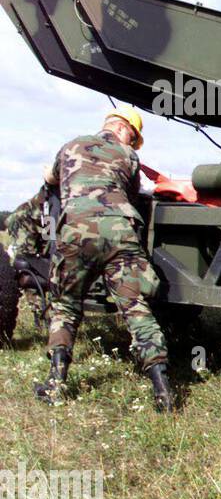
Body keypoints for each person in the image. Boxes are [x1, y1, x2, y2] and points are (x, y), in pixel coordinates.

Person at [35, 106, 174, 411]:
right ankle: (162, 389)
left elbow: (51, 179)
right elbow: (136, 194)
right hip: (119, 232)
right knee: (136, 307)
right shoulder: (128, 156)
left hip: (76, 232)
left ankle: (55, 384)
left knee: (67, 305)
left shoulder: (71, 145)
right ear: (126, 131)